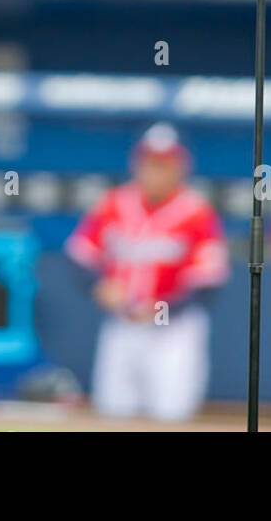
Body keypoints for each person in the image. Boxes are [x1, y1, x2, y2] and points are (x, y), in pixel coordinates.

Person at [65, 123, 229, 422]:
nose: (156, 170)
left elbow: (207, 285)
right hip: (122, 325)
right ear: (137, 162)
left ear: (181, 165)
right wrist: (99, 285)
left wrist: (160, 308)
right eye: (151, 162)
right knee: (113, 411)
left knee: (170, 413)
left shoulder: (196, 212)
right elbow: (79, 258)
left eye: (165, 163)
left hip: (173, 331)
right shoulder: (114, 203)